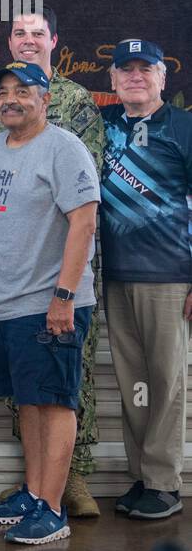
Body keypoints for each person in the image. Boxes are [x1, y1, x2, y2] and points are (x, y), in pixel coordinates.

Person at [0, 8, 104, 517]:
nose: (11, 100)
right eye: (4, 93)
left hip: (51, 300)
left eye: (23, 92)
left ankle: (51, 508)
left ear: (46, 99)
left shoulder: (64, 147)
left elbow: (84, 223)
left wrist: (64, 296)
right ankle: (33, 493)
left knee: (55, 401)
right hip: (3, 304)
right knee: (27, 400)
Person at [100, 39, 189, 520]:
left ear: (162, 77)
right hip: (113, 275)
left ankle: (165, 483)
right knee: (133, 381)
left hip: (169, 275)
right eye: (126, 69)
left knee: (166, 381)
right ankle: (142, 476)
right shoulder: (102, 127)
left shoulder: (184, 128)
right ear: (112, 80)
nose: (136, 76)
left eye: (145, 68)